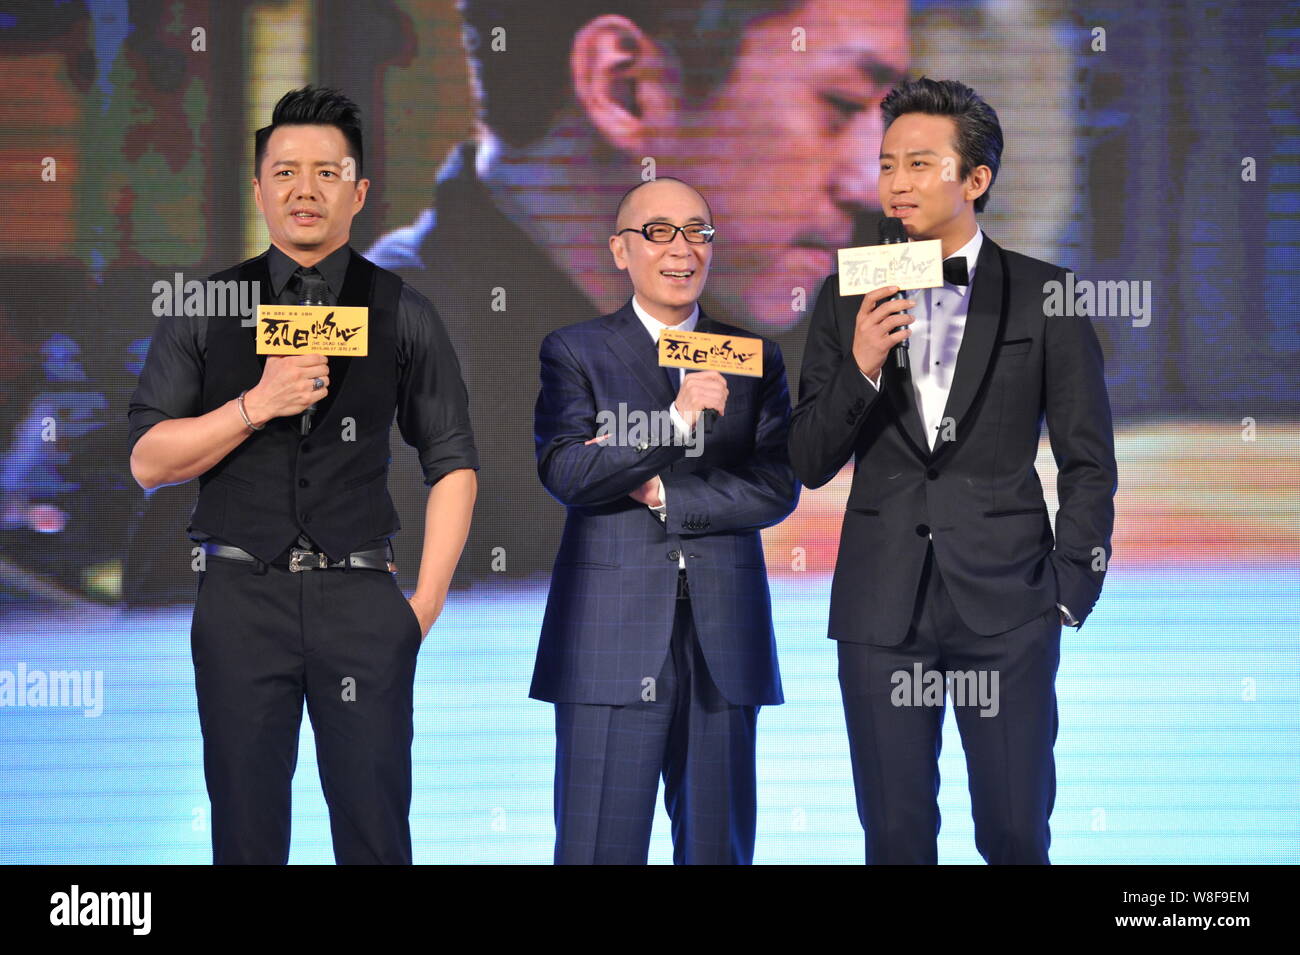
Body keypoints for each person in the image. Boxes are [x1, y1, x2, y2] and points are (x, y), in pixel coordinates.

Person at [368, 0, 907, 576]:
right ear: (624, 87)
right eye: (842, 104)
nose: (868, 186)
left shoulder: (818, 323)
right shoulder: (385, 351)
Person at [126, 86, 478, 864]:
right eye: (284, 172)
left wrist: (422, 605)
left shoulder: (403, 310)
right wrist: (256, 403)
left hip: (362, 600)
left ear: (359, 192)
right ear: (258, 189)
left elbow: (452, 458)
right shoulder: (206, 308)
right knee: (246, 837)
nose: (304, 189)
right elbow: (149, 459)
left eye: (327, 172)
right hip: (239, 601)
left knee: (377, 833)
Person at [789, 77, 1117, 864]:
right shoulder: (846, 293)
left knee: (1013, 832)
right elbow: (807, 457)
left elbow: (1088, 462)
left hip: (1009, 608)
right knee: (896, 838)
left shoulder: (1046, 297)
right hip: (880, 609)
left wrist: (1066, 595)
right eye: (887, 163)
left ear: (976, 180)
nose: (896, 182)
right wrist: (862, 365)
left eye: (920, 163)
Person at [532, 178, 798, 864]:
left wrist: (664, 495)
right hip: (607, 639)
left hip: (724, 639)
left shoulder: (752, 354)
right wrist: (674, 422)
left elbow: (776, 485)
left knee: (719, 849)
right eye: (658, 232)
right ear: (620, 250)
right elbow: (567, 472)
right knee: (597, 846)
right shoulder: (575, 350)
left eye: (697, 232)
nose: (681, 249)